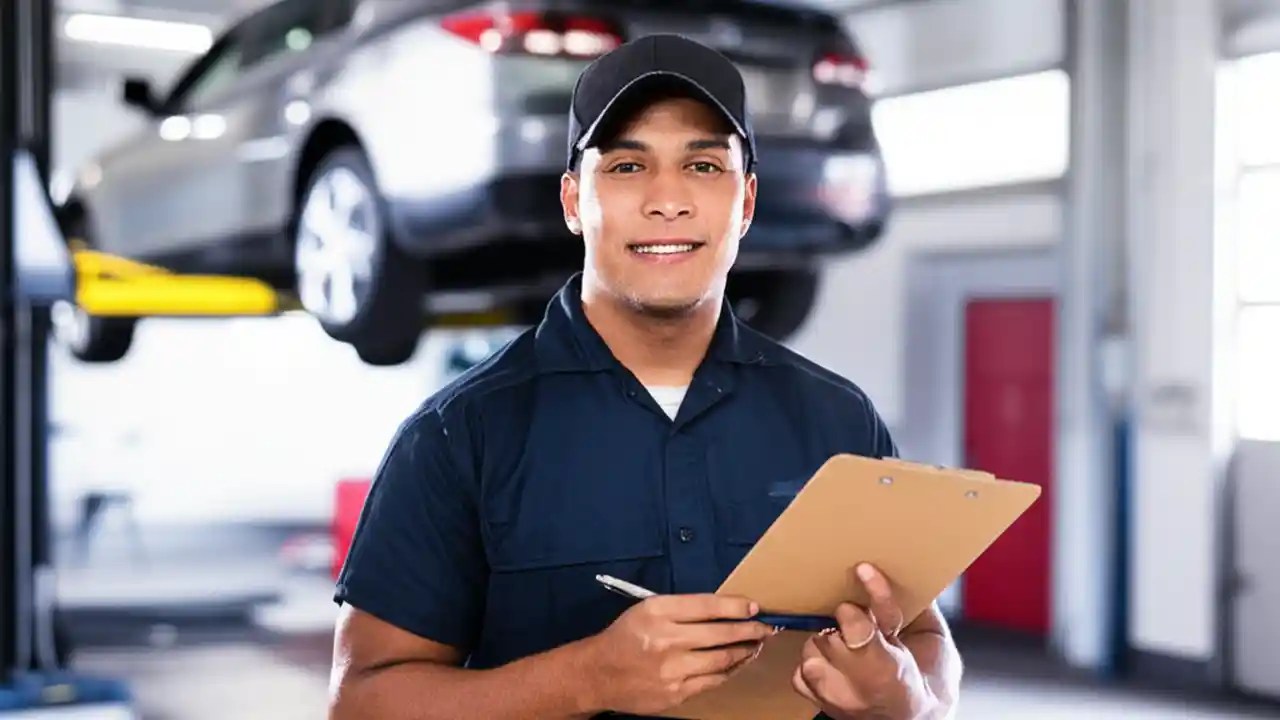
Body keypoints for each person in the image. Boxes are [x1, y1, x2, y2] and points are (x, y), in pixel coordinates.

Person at [328, 34, 962, 720]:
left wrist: (909, 702)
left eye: (703, 165)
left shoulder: (837, 419)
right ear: (574, 200)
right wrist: (589, 676)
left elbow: (926, 640)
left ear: (745, 202)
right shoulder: (459, 435)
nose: (669, 200)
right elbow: (361, 702)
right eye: (628, 166)